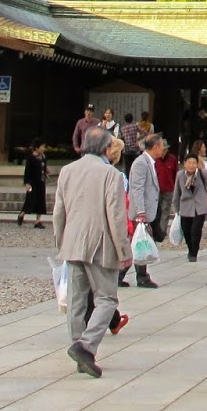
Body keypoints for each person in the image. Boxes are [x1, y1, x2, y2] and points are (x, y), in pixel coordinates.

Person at [53, 126, 131, 379]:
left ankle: (80, 351)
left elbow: (58, 212)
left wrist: (61, 241)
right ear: (107, 148)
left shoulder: (67, 171)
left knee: (76, 302)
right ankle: (85, 346)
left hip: (73, 241)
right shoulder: (111, 174)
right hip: (101, 242)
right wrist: (123, 248)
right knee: (107, 299)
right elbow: (116, 215)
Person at [125, 133, 166, 289]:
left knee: (136, 245)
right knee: (140, 244)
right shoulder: (141, 163)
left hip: (150, 210)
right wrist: (140, 212)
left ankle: (121, 274)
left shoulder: (150, 162)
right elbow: (137, 188)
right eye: (161, 146)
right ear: (155, 147)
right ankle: (142, 277)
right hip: (141, 213)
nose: (163, 149)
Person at [174, 151, 207, 262]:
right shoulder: (180, 175)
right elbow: (177, 192)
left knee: (196, 230)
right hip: (185, 206)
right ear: (184, 164)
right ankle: (190, 248)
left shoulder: (202, 173)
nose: (191, 165)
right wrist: (176, 208)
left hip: (200, 206)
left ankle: (194, 252)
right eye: (189, 163)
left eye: (193, 163)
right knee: (186, 230)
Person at [19, 140, 48, 228]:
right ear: (37, 148)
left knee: (41, 200)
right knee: (30, 199)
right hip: (32, 183)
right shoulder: (31, 158)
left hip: (41, 181)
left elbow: (44, 167)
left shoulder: (43, 157)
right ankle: (22, 214)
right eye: (42, 147)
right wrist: (27, 183)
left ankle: (37, 221)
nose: (43, 148)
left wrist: (46, 171)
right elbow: (27, 171)